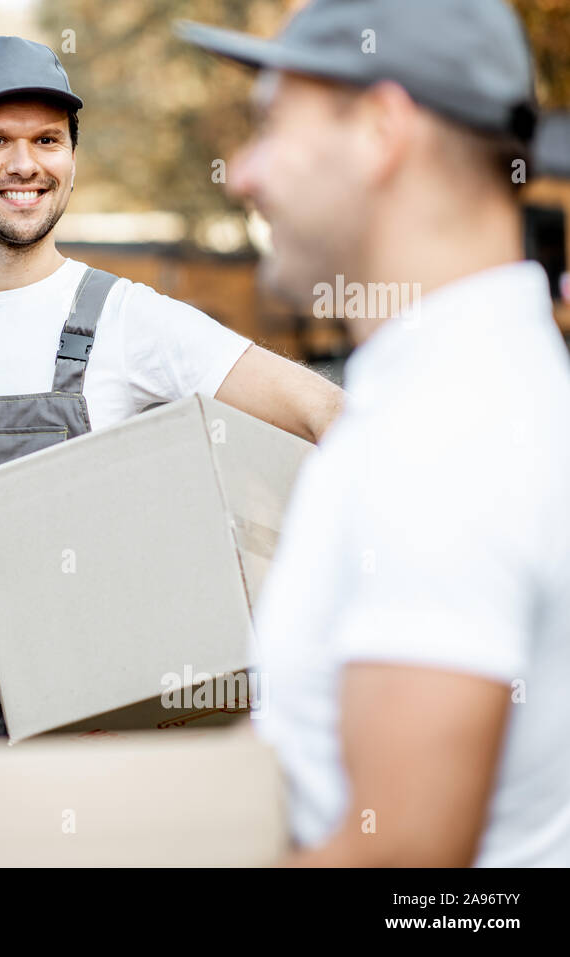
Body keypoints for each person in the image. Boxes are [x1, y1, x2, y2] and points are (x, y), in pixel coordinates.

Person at [0, 34, 345, 868]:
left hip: (84, 745)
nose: (25, 163)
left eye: (47, 140)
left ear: (73, 160)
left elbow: (323, 412)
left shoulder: (127, 320)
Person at [179, 0, 570, 865]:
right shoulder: (444, 386)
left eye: (272, 125)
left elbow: (405, 872)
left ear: (382, 130)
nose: (241, 172)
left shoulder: (450, 433)